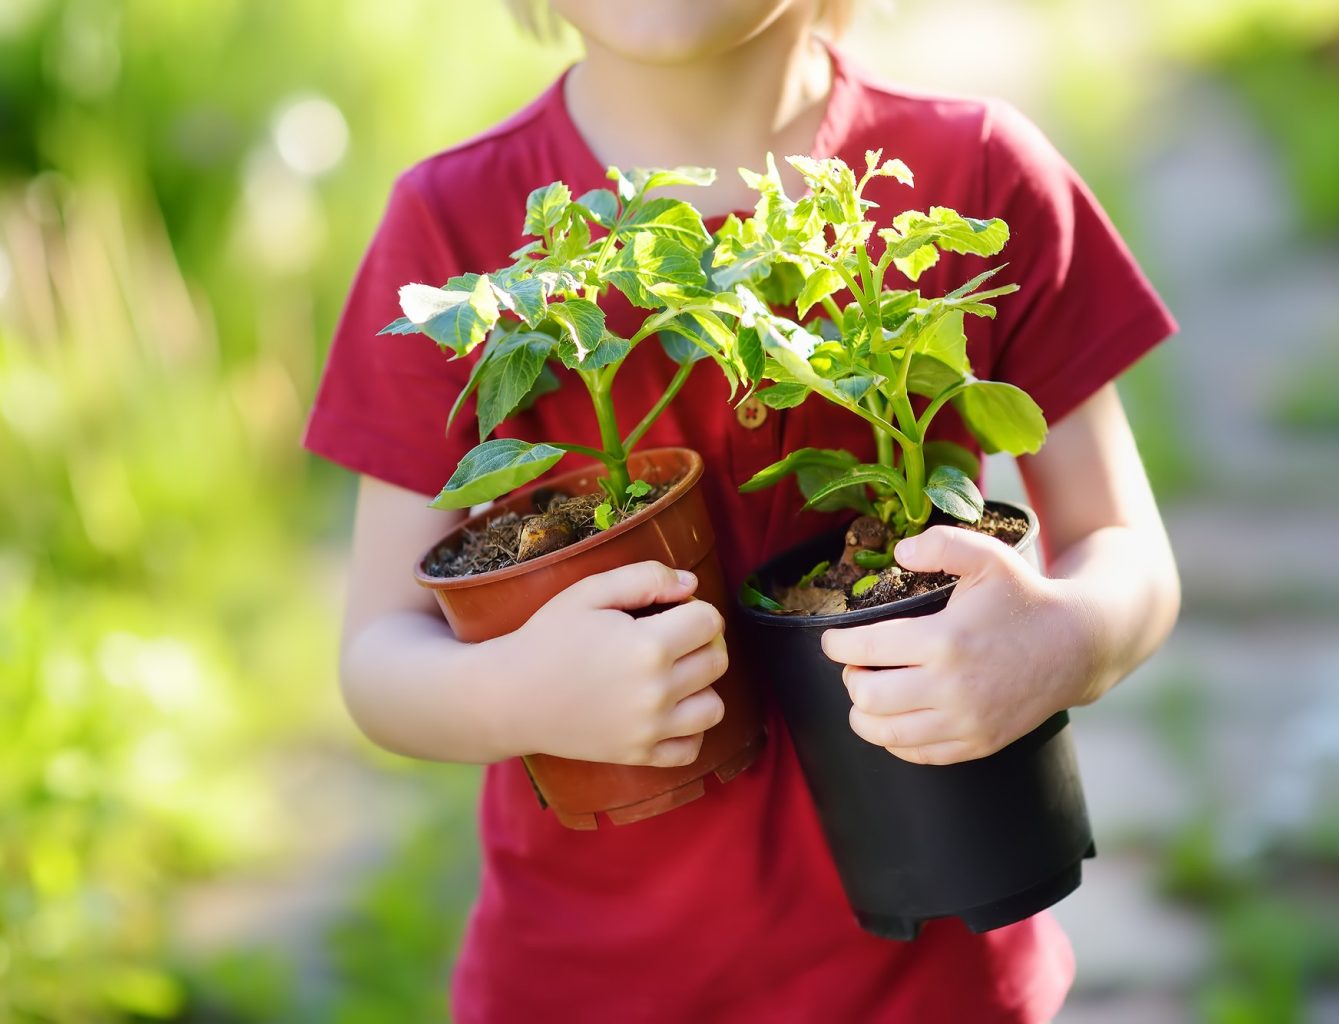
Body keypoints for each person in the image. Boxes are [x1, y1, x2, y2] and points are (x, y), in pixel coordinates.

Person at [302, 1, 1182, 1019]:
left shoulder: (971, 167)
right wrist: (515, 691)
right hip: (584, 983)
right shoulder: (454, 225)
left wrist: (1058, 641)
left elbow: (1128, 552)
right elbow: (379, 655)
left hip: (936, 970)